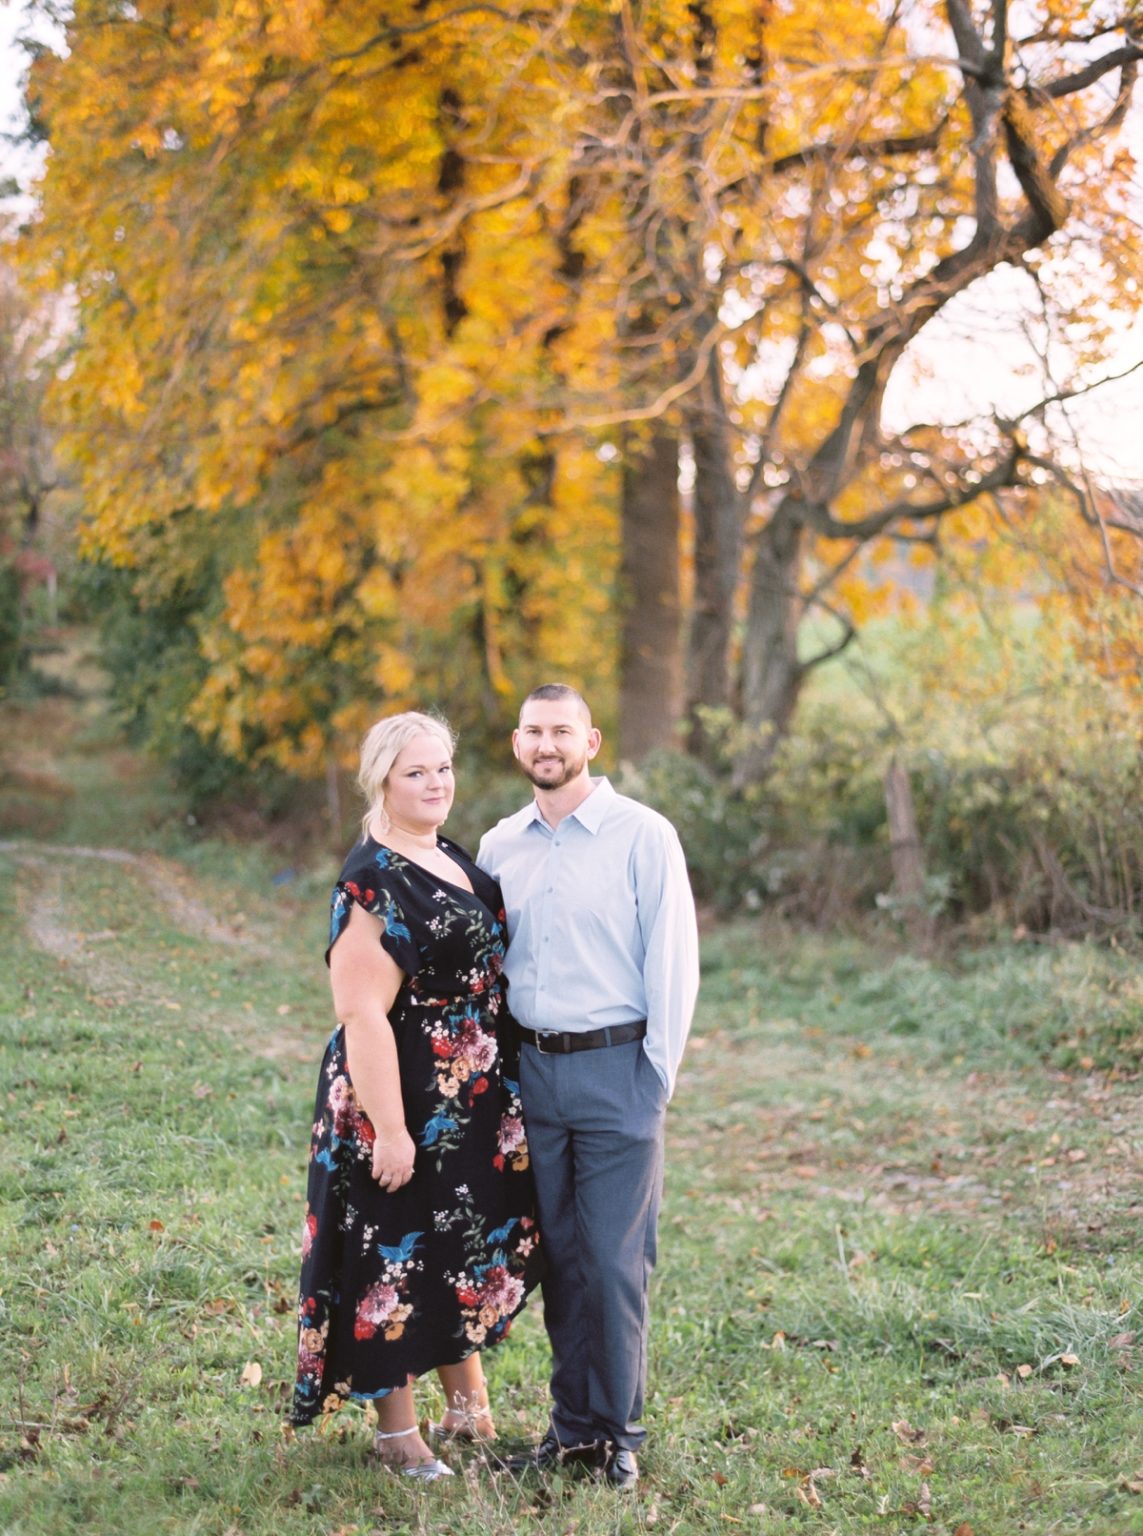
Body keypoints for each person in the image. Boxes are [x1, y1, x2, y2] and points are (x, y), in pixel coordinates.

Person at [291, 711, 539, 1480]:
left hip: (464, 1096)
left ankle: (467, 1404)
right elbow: (359, 1011)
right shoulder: (374, 880)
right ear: (382, 782)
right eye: (414, 774)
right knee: (394, 1252)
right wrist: (390, 1129)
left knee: (456, 1245)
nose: (434, 784)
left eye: (442, 769)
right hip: (395, 1093)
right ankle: (397, 1432)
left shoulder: (444, 853)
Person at [477, 683, 699, 1491]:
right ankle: (570, 1430)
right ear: (515, 743)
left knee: (612, 1260)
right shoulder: (500, 846)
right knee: (560, 1258)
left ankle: (620, 1432)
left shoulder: (643, 836)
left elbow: (672, 958)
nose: (547, 744)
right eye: (534, 731)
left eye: (560, 730)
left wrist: (654, 1079)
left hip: (617, 1068)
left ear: (591, 741)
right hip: (532, 1073)